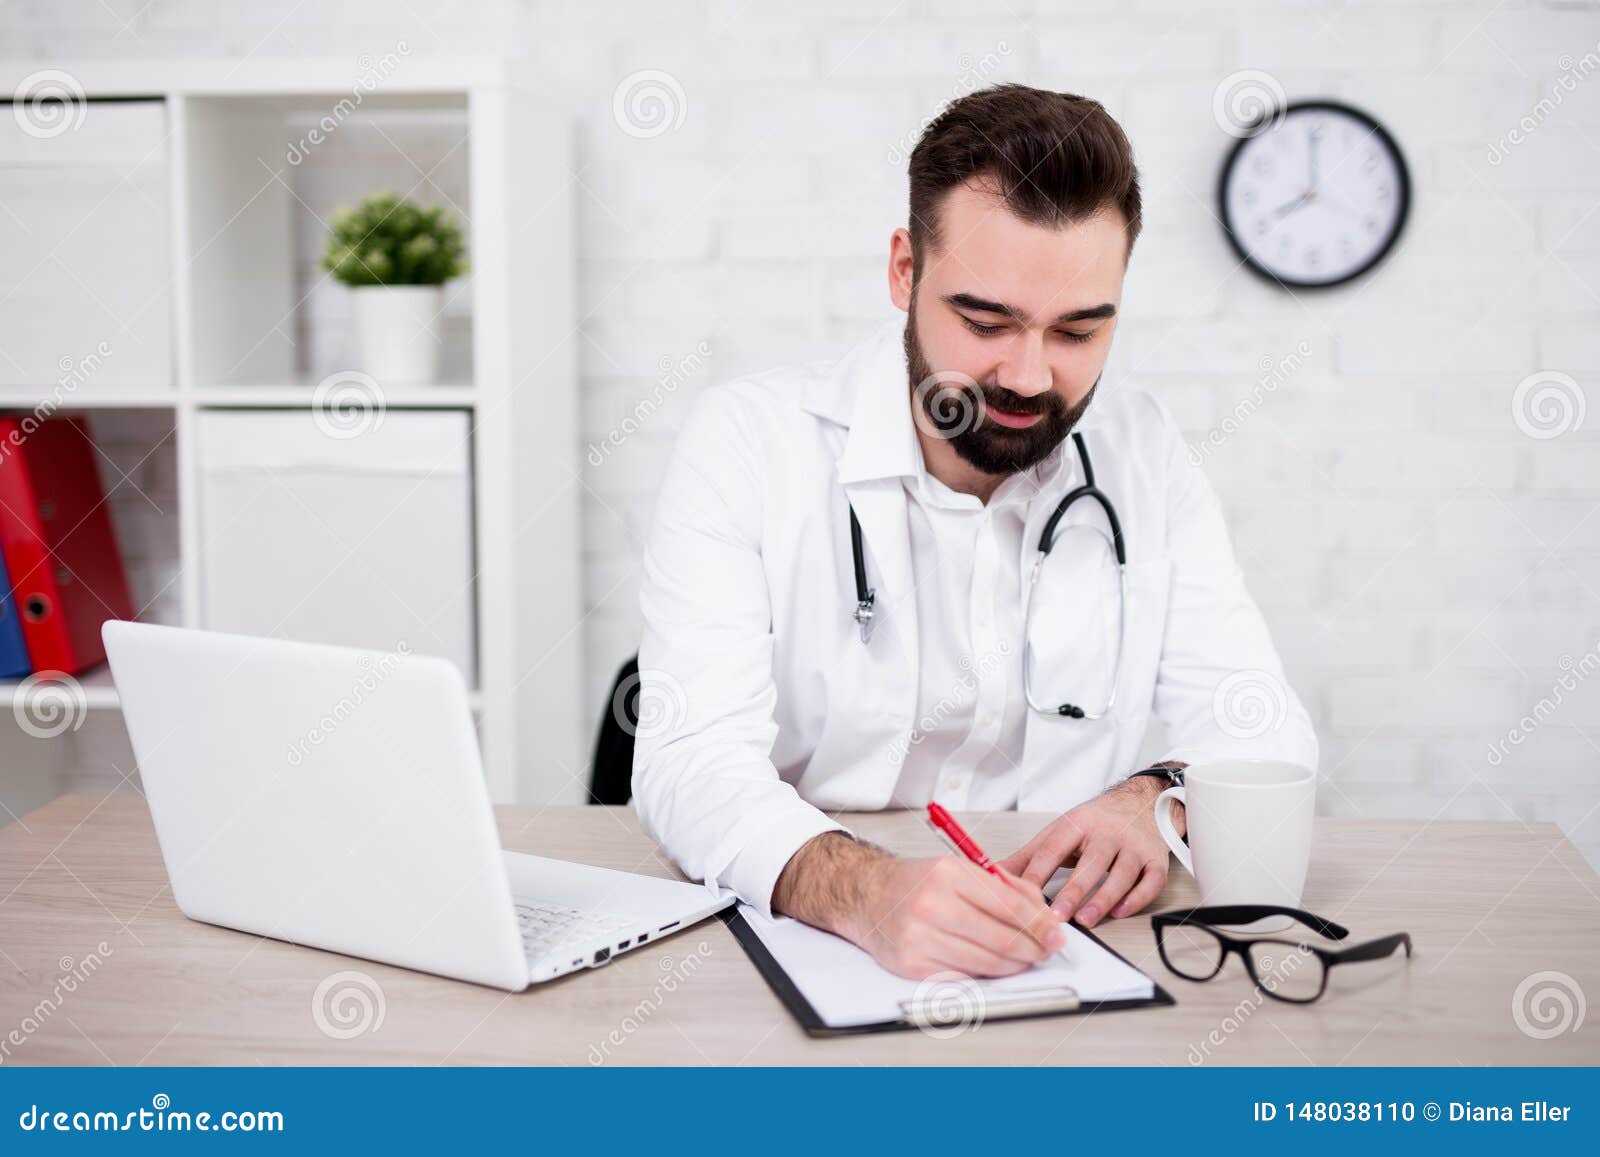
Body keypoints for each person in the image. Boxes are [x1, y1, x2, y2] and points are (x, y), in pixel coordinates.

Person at [631, 84, 1317, 980]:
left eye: (1078, 330)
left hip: (1071, 941)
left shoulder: (1144, 451)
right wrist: (865, 891)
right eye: (986, 322)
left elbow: (1261, 724)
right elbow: (688, 762)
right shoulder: (749, 441)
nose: (1028, 375)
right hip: (814, 945)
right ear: (904, 271)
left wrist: (1160, 796)